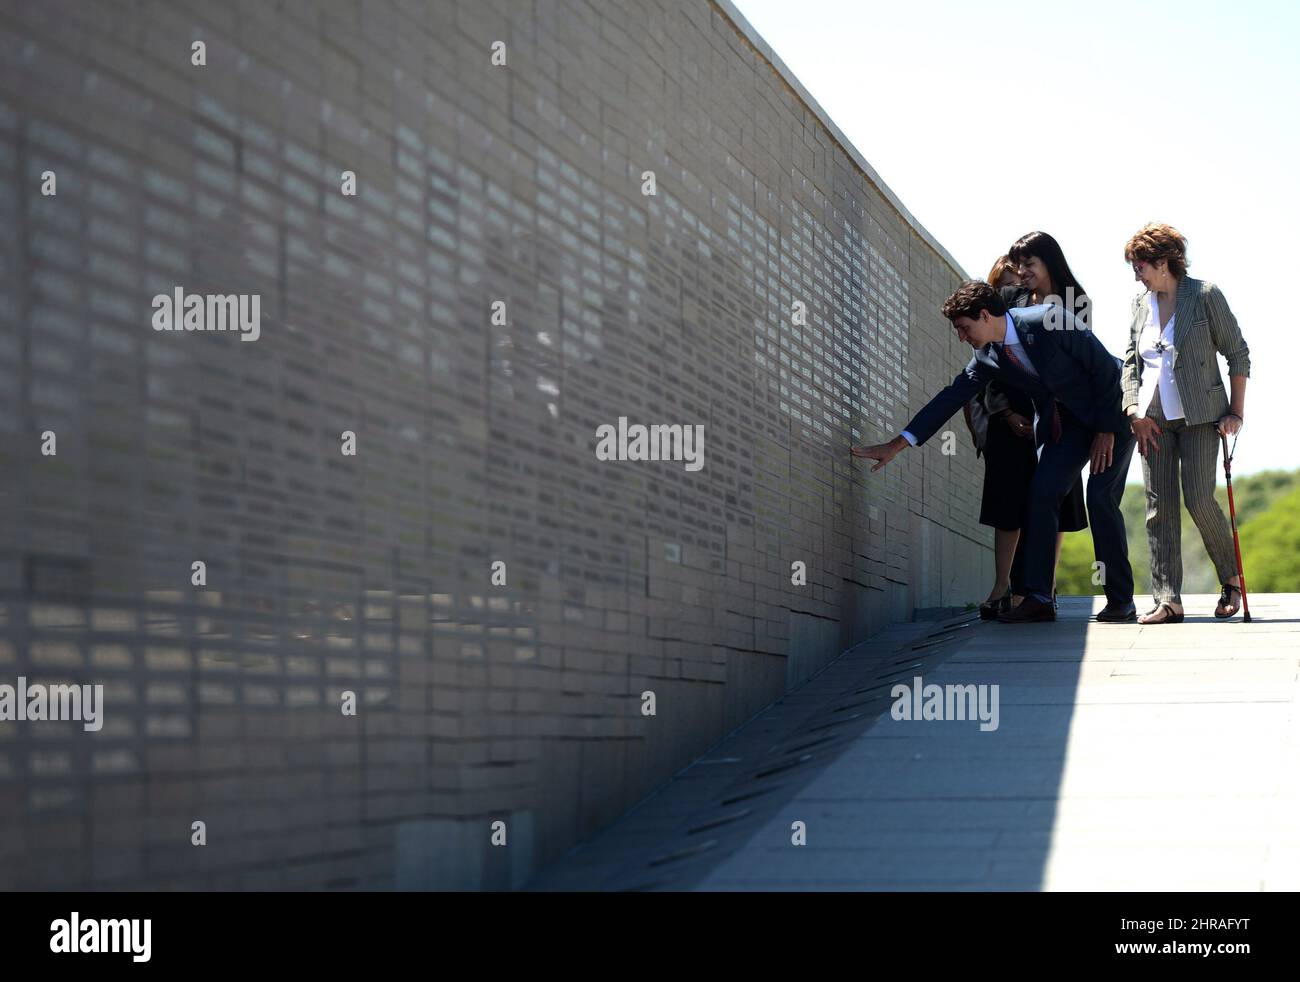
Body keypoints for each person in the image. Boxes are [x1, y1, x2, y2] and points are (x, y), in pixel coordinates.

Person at [851, 280, 1137, 623]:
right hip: (1068, 426)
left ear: (985, 315)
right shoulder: (987, 356)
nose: (961, 337)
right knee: (1041, 492)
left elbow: (1105, 367)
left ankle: (1120, 600)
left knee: (1100, 498)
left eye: (964, 328)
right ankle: (1038, 598)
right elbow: (951, 397)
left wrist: (1106, 427)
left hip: (1111, 410)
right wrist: (897, 444)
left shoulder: (1047, 318)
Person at [1120, 223, 1250, 623]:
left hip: (1200, 419)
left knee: (1197, 497)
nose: (1137, 274)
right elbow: (1130, 363)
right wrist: (1133, 412)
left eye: (1140, 265)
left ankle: (1230, 578)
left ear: (1163, 261)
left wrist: (1236, 413)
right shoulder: (1139, 304)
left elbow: (1238, 354)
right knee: (1159, 509)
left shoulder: (1205, 295)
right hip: (1153, 422)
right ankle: (1167, 599)